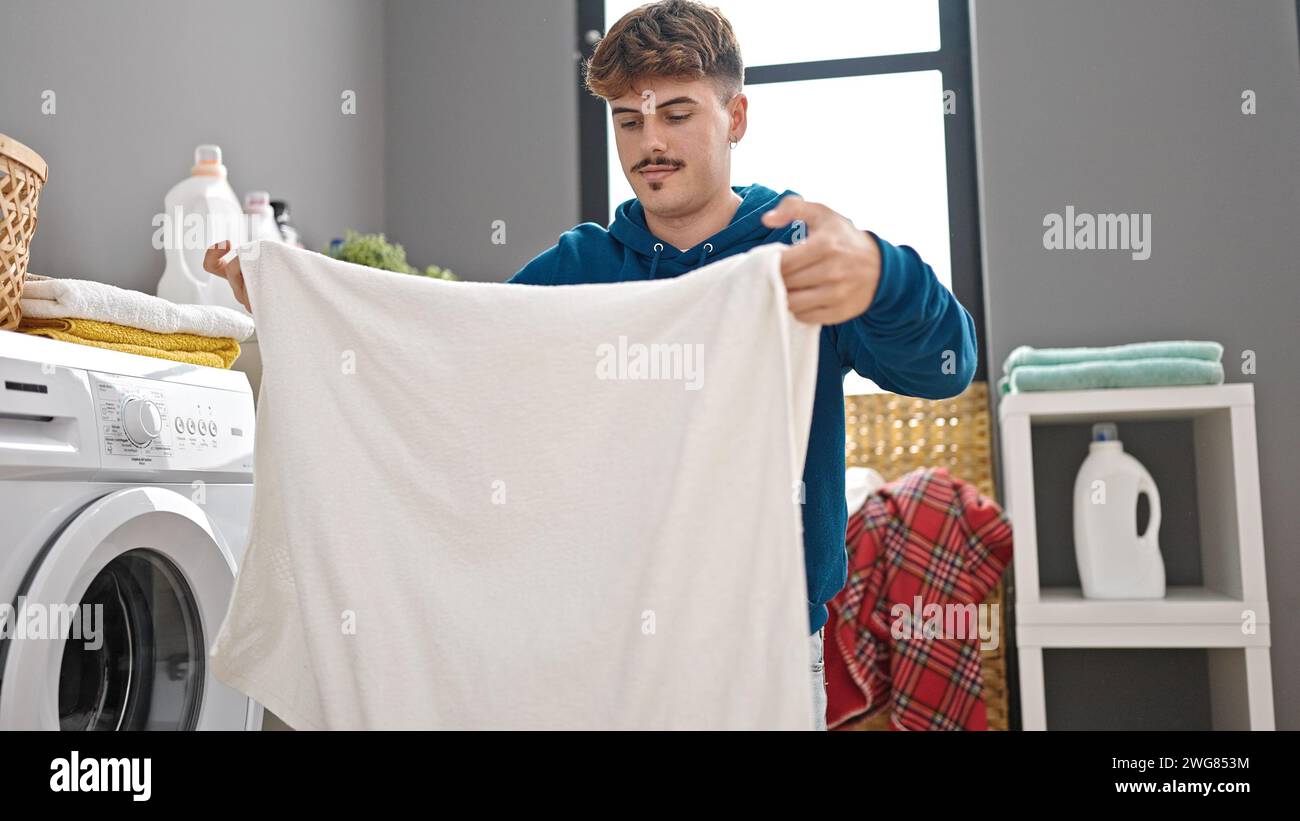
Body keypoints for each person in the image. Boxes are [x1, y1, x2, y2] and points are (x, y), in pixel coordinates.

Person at [206, 0, 977, 732]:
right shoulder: (577, 266)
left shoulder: (796, 259)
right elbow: (451, 366)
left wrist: (881, 273)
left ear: (735, 116)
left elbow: (947, 366)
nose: (650, 142)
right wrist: (294, 299)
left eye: (677, 113)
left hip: (758, 647)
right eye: (627, 119)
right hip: (594, 653)